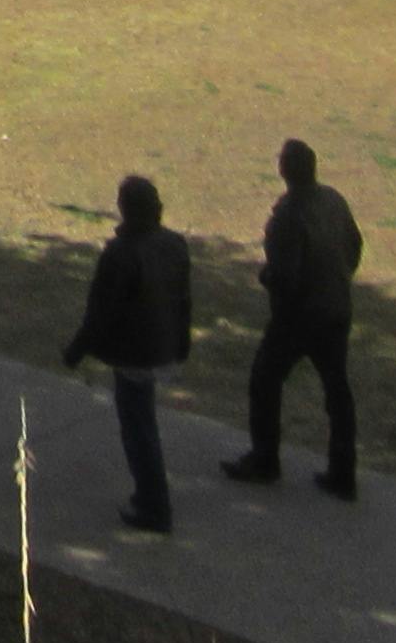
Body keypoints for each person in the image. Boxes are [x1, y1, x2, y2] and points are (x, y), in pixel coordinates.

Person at [223, 137, 363, 498]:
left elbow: (285, 275)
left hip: (300, 315)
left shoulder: (288, 215)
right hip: (336, 307)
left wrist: (266, 278)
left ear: (284, 170)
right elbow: (354, 245)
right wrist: (339, 278)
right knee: (337, 391)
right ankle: (343, 472)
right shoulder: (333, 199)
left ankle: (265, 459)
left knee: (265, 381)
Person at [62, 171, 195, 532]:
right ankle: (149, 498)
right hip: (163, 345)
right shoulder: (174, 244)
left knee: (139, 430)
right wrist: (182, 342)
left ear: (124, 209)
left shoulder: (121, 255)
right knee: (142, 423)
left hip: (135, 352)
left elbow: (100, 312)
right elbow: (184, 301)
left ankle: (154, 506)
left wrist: (75, 351)